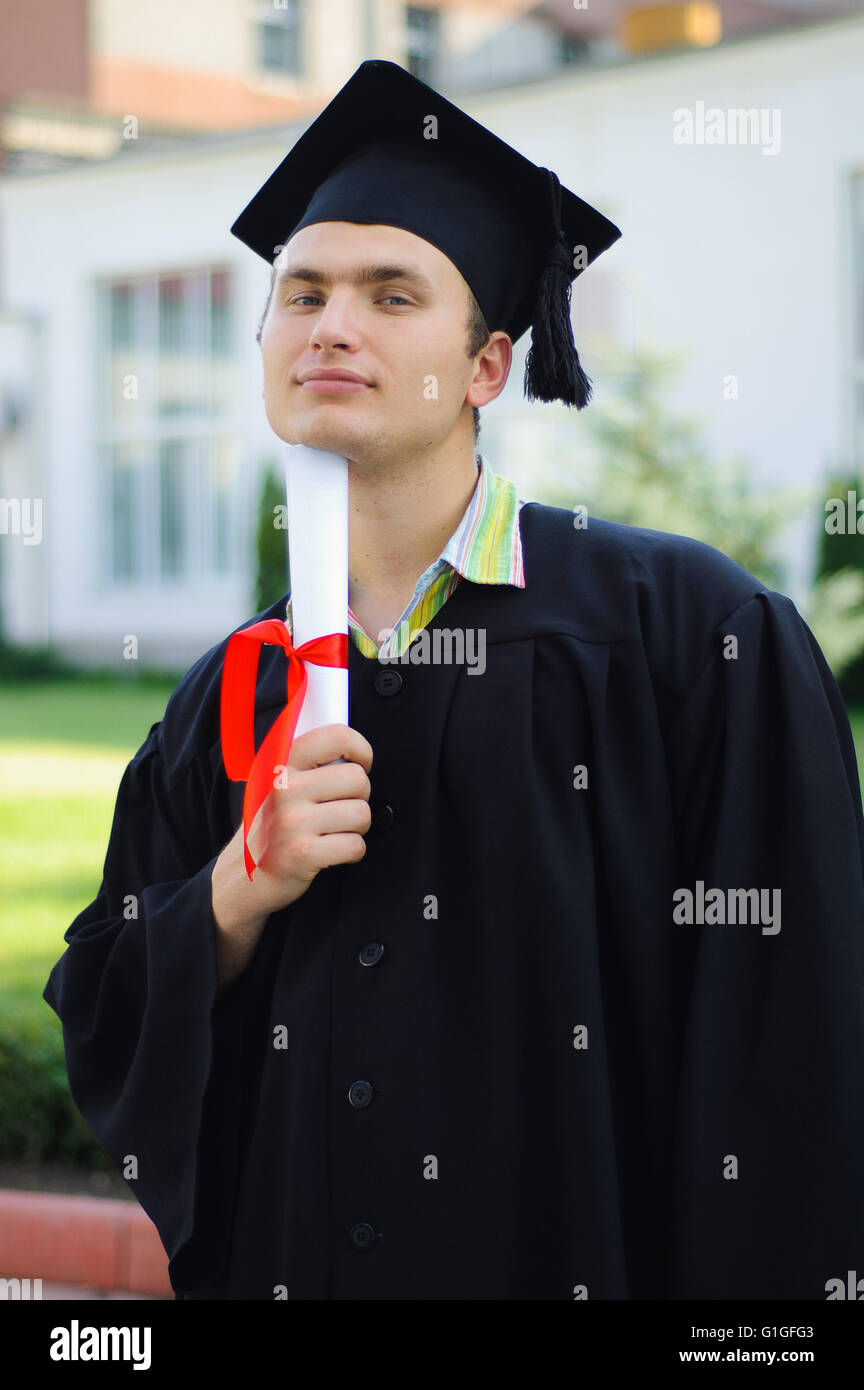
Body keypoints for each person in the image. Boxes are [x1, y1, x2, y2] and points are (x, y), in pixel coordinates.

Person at [44, 59, 864, 1301]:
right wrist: (227, 898)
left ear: (486, 368)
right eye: (301, 292)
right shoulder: (233, 689)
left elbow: (789, 1049)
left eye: (391, 294)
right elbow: (104, 1004)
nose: (331, 324)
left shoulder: (691, 638)